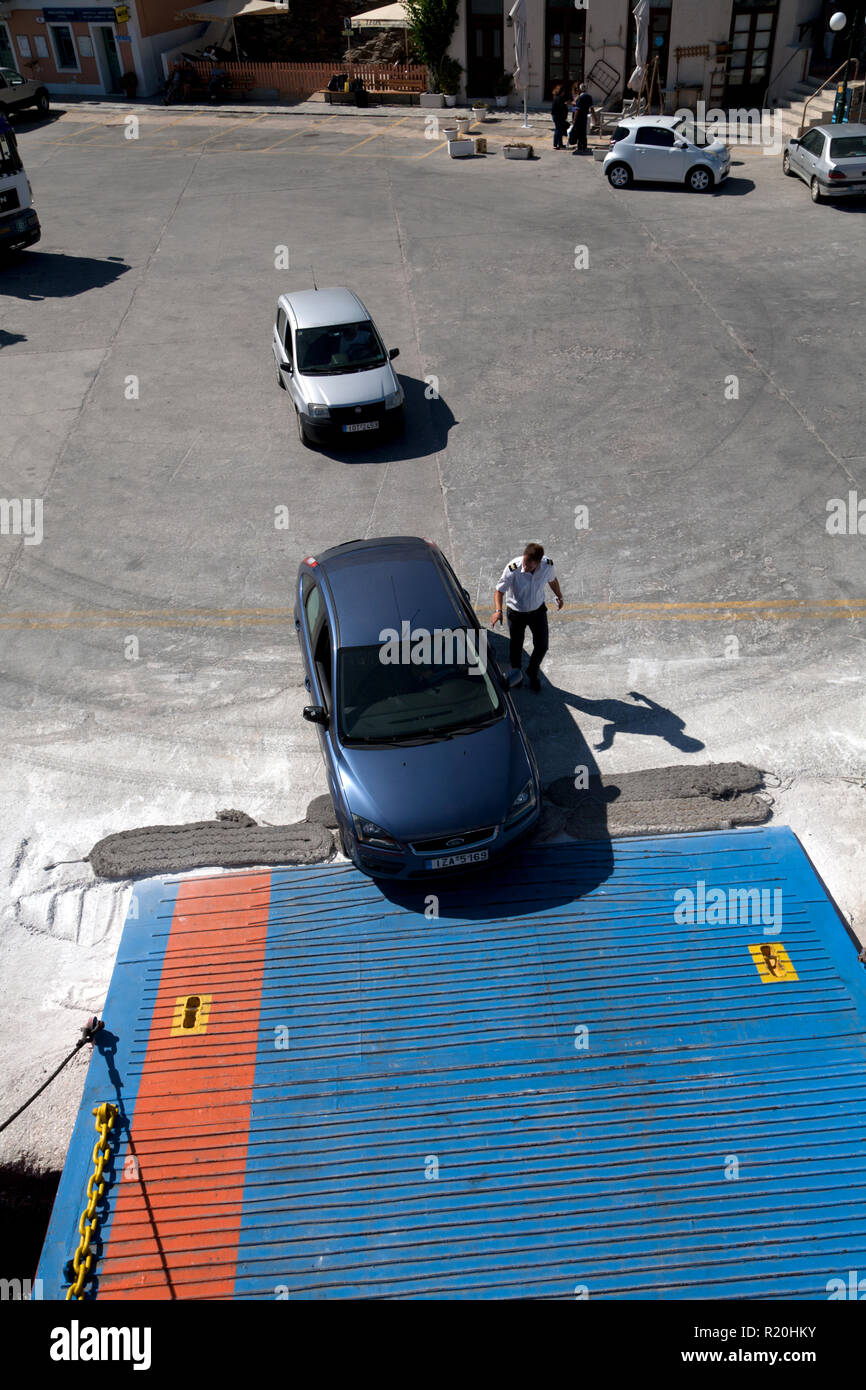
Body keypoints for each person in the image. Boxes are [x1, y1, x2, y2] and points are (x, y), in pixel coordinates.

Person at [491, 543, 564, 692]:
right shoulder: (513, 569)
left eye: (530, 566)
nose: (526, 567)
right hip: (516, 613)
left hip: (537, 612)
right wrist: (498, 610)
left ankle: (532, 671)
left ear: (538, 563)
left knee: (542, 646)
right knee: (516, 647)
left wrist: (559, 595)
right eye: (525, 563)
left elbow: (553, 580)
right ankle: (516, 675)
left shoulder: (547, 566)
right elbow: (499, 591)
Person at [569, 82, 597, 153]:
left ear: (580, 90)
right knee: (583, 132)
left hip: (579, 117)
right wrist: (594, 117)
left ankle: (580, 146)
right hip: (584, 117)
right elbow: (592, 108)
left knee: (578, 132)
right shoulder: (589, 97)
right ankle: (584, 146)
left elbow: (576, 109)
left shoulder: (580, 98)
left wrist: (574, 119)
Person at [550, 83, 568, 150]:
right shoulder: (559, 99)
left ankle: (560, 144)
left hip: (557, 116)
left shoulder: (557, 98)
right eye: (563, 91)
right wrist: (565, 105)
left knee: (560, 130)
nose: (564, 93)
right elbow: (560, 108)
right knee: (558, 130)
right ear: (561, 91)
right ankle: (555, 144)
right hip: (558, 116)